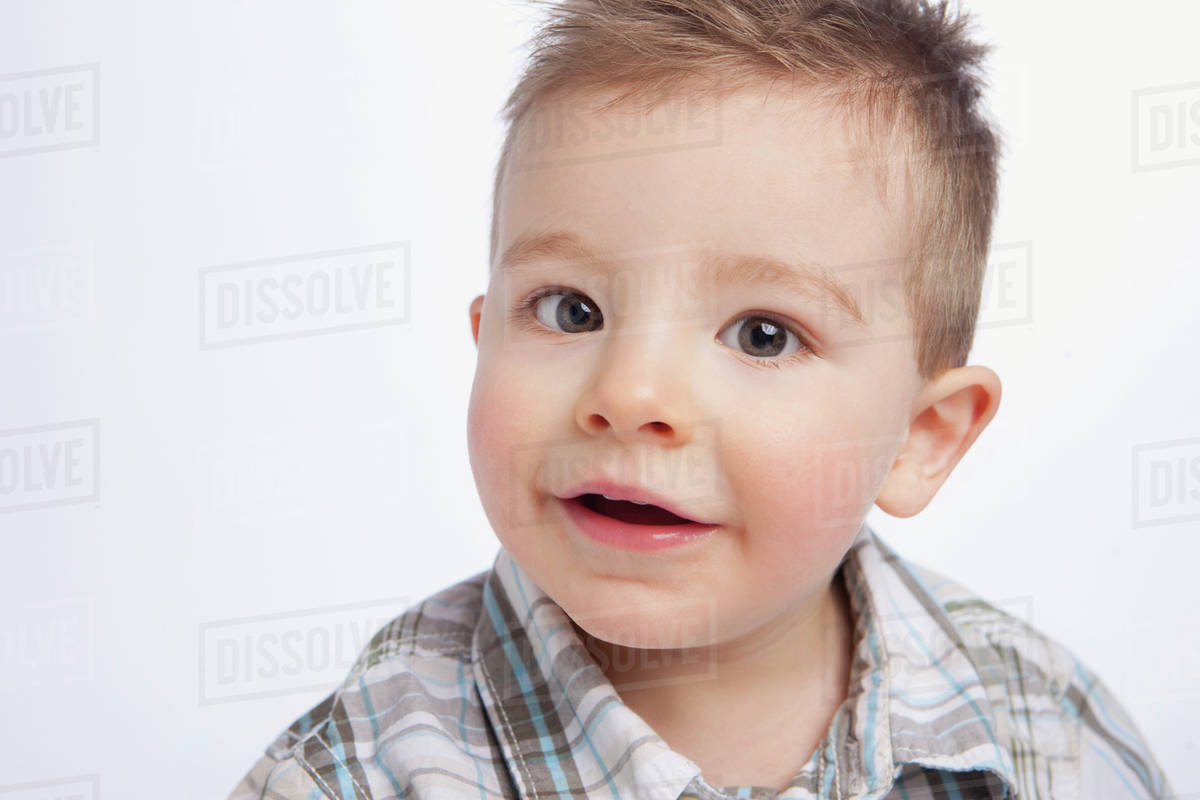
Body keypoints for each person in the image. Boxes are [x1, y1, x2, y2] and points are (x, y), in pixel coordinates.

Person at [228, 0, 1174, 797]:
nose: (629, 394)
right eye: (571, 310)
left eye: (764, 334)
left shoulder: (1045, 733)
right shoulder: (360, 771)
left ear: (919, 439)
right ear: (485, 342)